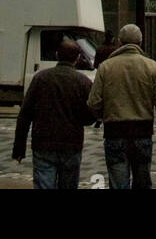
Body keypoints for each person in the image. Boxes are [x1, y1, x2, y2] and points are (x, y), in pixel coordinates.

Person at [88, 24, 156, 189]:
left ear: (120, 41)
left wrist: (104, 115)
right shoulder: (152, 67)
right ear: (140, 42)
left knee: (118, 183)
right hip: (142, 133)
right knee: (142, 183)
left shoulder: (106, 67)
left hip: (114, 132)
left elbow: (93, 102)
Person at [12, 37, 96, 189]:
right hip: (71, 143)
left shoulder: (40, 78)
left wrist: (19, 148)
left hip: (43, 141)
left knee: (44, 184)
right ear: (77, 58)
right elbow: (90, 116)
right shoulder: (83, 82)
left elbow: (25, 115)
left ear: (57, 55)